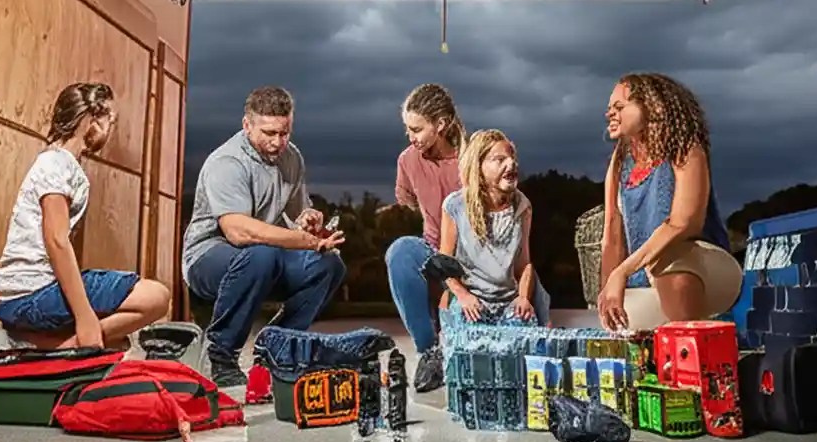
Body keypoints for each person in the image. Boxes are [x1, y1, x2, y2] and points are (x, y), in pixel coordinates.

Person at [0, 82, 172, 360]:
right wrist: (86, 319)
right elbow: (56, 240)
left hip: (26, 297)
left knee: (120, 339)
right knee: (157, 297)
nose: (111, 130)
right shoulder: (56, 165)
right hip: (30, 296)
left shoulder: (61, 163)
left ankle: (40, 342)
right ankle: (35, 345)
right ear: (93, 122)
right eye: (110, 122)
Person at [381, 85, 549, 392]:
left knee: (533, 294)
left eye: (417, 129)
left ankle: (532, 351)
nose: (411, 136)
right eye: (408, 129)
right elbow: (407, 201)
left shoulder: (478, 155)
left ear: (441, 125)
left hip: (484, 250)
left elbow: (513, 240)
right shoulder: (408, 160)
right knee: (401, 252)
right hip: (438, 246)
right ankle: (429, 350)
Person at [182, 86, 346, 387]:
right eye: (268, 133)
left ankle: (277, 348)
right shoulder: (227, 162)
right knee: (261, 253)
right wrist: (300, 241)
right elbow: (238, 231)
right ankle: (221, 355)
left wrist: (307, 221)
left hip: (263, 257)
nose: (277, 142)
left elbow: (298, 214)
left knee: (329, 265)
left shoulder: (292, 157)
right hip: (209, 258)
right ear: (247, 125)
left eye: (284, 133)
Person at [595, 73, 742, 333]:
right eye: (609, 109)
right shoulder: (619, 164)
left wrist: (622, 272)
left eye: (619, 107)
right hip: (644, 276)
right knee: (616, 326)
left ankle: (693, 351)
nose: (610, 114)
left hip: (702, 267)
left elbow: (683, 224)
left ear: (652, 107)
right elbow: (612, 235)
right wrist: (609, 288)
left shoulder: (685, 148)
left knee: (668, 259)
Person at [437, 129, 542, 334]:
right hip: (469, 298)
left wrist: (523, 297)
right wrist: (464, 297)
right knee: (474, 340)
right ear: (478, 167)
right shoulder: (455, 206)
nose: (511, 164)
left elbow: (524, 264)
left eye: (512, 158)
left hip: (507, 301)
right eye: (499, 159)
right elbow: (444, 266)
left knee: (525, 336)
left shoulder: (523, 207)